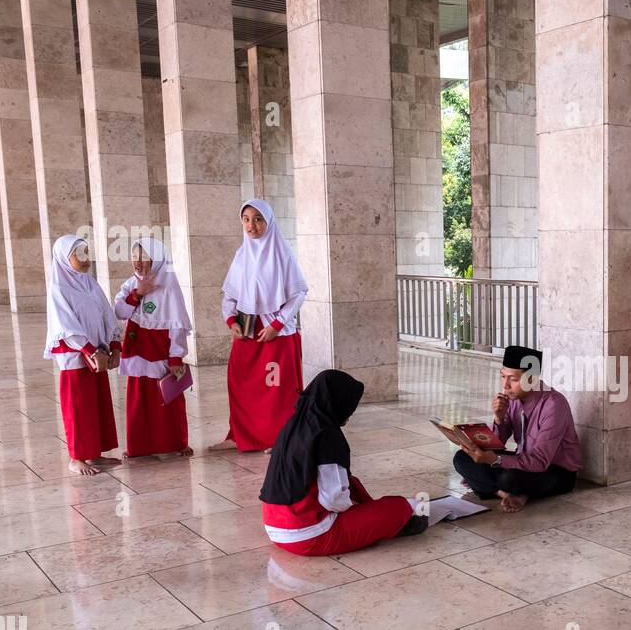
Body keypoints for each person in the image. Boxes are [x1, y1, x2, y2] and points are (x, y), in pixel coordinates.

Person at [260, 370, 427, 555]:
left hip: (275, 528)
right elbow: (333, 499)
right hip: (309, 536)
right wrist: (354, 509)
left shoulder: (295, 424)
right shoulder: (327, 434)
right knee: (399, 507)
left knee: (353, 484)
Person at [211, 199, 307, 452]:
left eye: (257, 219)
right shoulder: (242, 255)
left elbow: (298, 293)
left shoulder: (282, 254)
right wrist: (231, 320)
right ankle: (240, 435)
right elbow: (230, 295)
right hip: (247, 330)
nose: (251, 225)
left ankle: (280, 439)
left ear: (268, 221)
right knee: (241, 383)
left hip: (276, 333)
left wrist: (277, 324)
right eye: (246, 219)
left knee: (278, 389)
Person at [452, 345, 581, 513]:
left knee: (508, 477)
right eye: (502, 376)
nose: (505, 385)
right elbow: (497, 444)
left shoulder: (554, 405)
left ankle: (493, 486)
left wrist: (493, 461)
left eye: (512, 379)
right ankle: (503, 493)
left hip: (555, 470)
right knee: (462, 458)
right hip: (525, 460)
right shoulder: (513, 397)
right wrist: (498, 418)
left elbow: (540, 462)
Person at [45, 234, 121, 476]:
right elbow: (65, 325)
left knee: (97, 404)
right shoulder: (59, 287)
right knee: (78, 407)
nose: (85, 258)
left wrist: (114, 344)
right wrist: (89, 350)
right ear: (65, 259)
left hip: (98, 354)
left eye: (86, 252)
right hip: (76, 357)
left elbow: (106, 313)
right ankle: (76, 457)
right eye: (79, 254)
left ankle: (95, 453)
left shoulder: (89, 283)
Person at [113, 237, 192, 458]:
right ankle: (140, 447)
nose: (138, 262)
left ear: (156, 259)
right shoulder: (131, 283)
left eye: (144, 257)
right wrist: (138, 292)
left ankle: (176, 443)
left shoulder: (169, 286)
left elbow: (177, 325)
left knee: (167, 398)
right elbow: (119, 312)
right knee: (139, 400)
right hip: (138, 351)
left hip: (161, 353)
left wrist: (176, 357)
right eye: (134, 256)